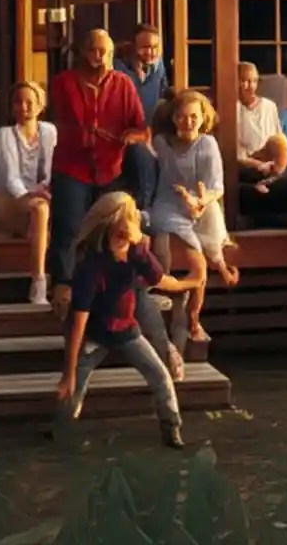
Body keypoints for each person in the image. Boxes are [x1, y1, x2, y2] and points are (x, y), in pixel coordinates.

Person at [53, 191, 201, 449]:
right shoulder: (91, 267)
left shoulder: (136, 254)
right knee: (76, 385)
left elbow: (156, 276)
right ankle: (62, 429)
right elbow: (78, 322)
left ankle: (171, 428)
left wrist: (143, 252)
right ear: (110, 229)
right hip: (97, 333)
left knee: (160, 377)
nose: (125, 239)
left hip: (127, 331)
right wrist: (68, 371)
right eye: (121, 233)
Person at [47, 28, 148, 311]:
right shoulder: (63, 83)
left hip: (109, 167)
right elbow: (54, 123)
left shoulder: (124, 84)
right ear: (83, 52)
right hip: (72, 164)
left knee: (110, 228)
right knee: (68, 228)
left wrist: (131, 137)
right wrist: (79, 133)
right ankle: (63, 286)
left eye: (104, 51)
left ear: (113, 55)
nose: (99, 55)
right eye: (93, 49)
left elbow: (140, 128)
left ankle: (109, 286)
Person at [149, 89, 237, 348]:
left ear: (202, 119)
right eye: (183, 116)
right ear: (174, 117)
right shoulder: (162, 144)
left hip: (200, 206)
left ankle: (194, 319)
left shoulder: (207, 144)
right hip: (168, 203)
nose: (188, 122)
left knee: (200, 269)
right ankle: (162, 302)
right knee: (162, 242)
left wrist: (200, 200)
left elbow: (216, 187)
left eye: (194, 117)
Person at [0, 81, 58, 305]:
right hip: (12, 201)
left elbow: (50, 171)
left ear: (40, 106)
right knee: (41, 209)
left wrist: (44, 190)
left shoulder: (49, 131)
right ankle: (38, 281)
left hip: (42, 196)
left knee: (57, 205)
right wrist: (31, 196)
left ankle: (64, 280)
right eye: (18, 102)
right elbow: (11, 179)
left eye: (29, 102)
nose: (24, 107)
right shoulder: (6, 134)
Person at [114, 24, 167, 213]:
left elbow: (162, 96)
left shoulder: (159, 67)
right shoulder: (118, 69)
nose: (151, 52)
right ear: (132, 47)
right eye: (145, 47)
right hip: (122, 134)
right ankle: (143, 214)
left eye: (155, 47)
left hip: (149, 132)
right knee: (141, 156)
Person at [236, 61, 287, 185]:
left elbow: (278, 140)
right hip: (245, 166)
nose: (250, 86)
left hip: (271, 163)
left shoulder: (269, 106)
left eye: (254, 81)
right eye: (245, 81)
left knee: (281, 141)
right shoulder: (232, 110)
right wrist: (259, 165)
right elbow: (236, 155)